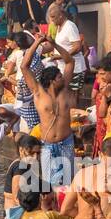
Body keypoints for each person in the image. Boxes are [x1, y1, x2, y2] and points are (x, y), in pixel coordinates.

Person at [21, 33, 76, 190]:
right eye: (59, 77)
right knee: (48, 187)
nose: (63, 79)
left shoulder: (65, 89)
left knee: (67, 185)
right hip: (47, 145)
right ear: (52, 81)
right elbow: (24, 66)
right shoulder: (38, 93)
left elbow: (70, 61)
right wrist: (37, 43)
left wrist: (54, 44)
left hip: (66, 142)